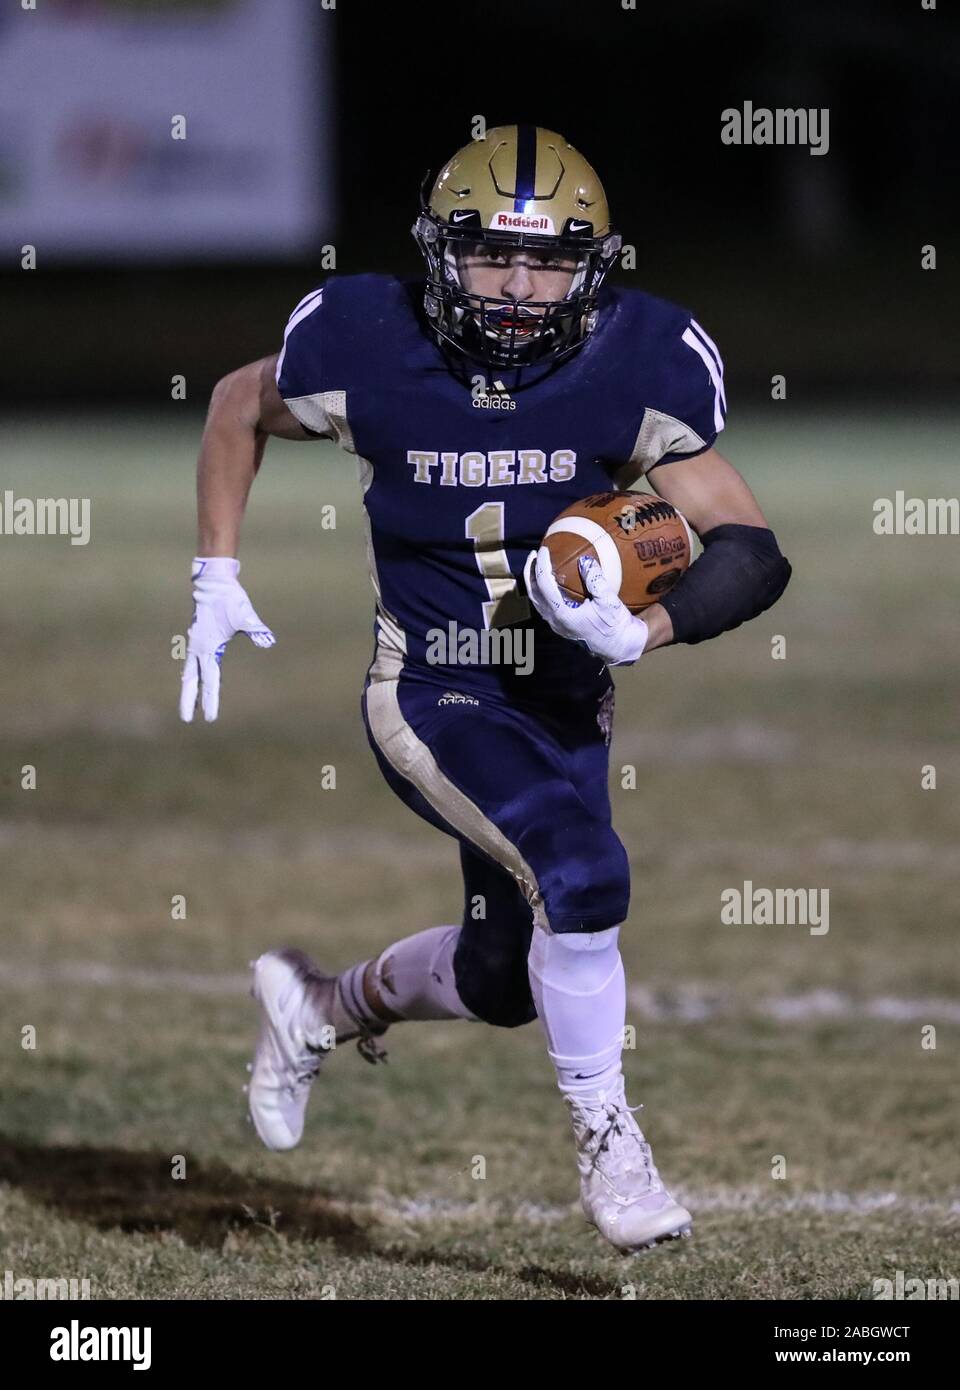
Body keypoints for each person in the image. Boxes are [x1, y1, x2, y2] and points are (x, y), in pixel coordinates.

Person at [179, 125, 791, 1253]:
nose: (517, 287)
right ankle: (612, 1146)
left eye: (550, 260)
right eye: (489, 255)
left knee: (505, 974)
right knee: (584, 871)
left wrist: (644, 625)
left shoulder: (640, 358)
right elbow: (232, 404)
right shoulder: (366, 339)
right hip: (431, 688)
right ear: (437, 254)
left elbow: (751, 546)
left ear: (593, 267)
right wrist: (214, 573)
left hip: (561, 703)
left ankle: (322, 1005)